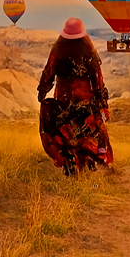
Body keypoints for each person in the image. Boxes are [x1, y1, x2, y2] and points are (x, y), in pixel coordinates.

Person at [37, 18, 113, 175]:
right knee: (91, 130)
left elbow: (49, 72)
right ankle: (97, 159)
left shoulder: (58, 50)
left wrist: (43, 91)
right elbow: (98, 78)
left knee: (63, 130)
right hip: (87, 99)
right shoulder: (89, 51)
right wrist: (102, 102)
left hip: (64, 98)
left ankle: (68, 160)